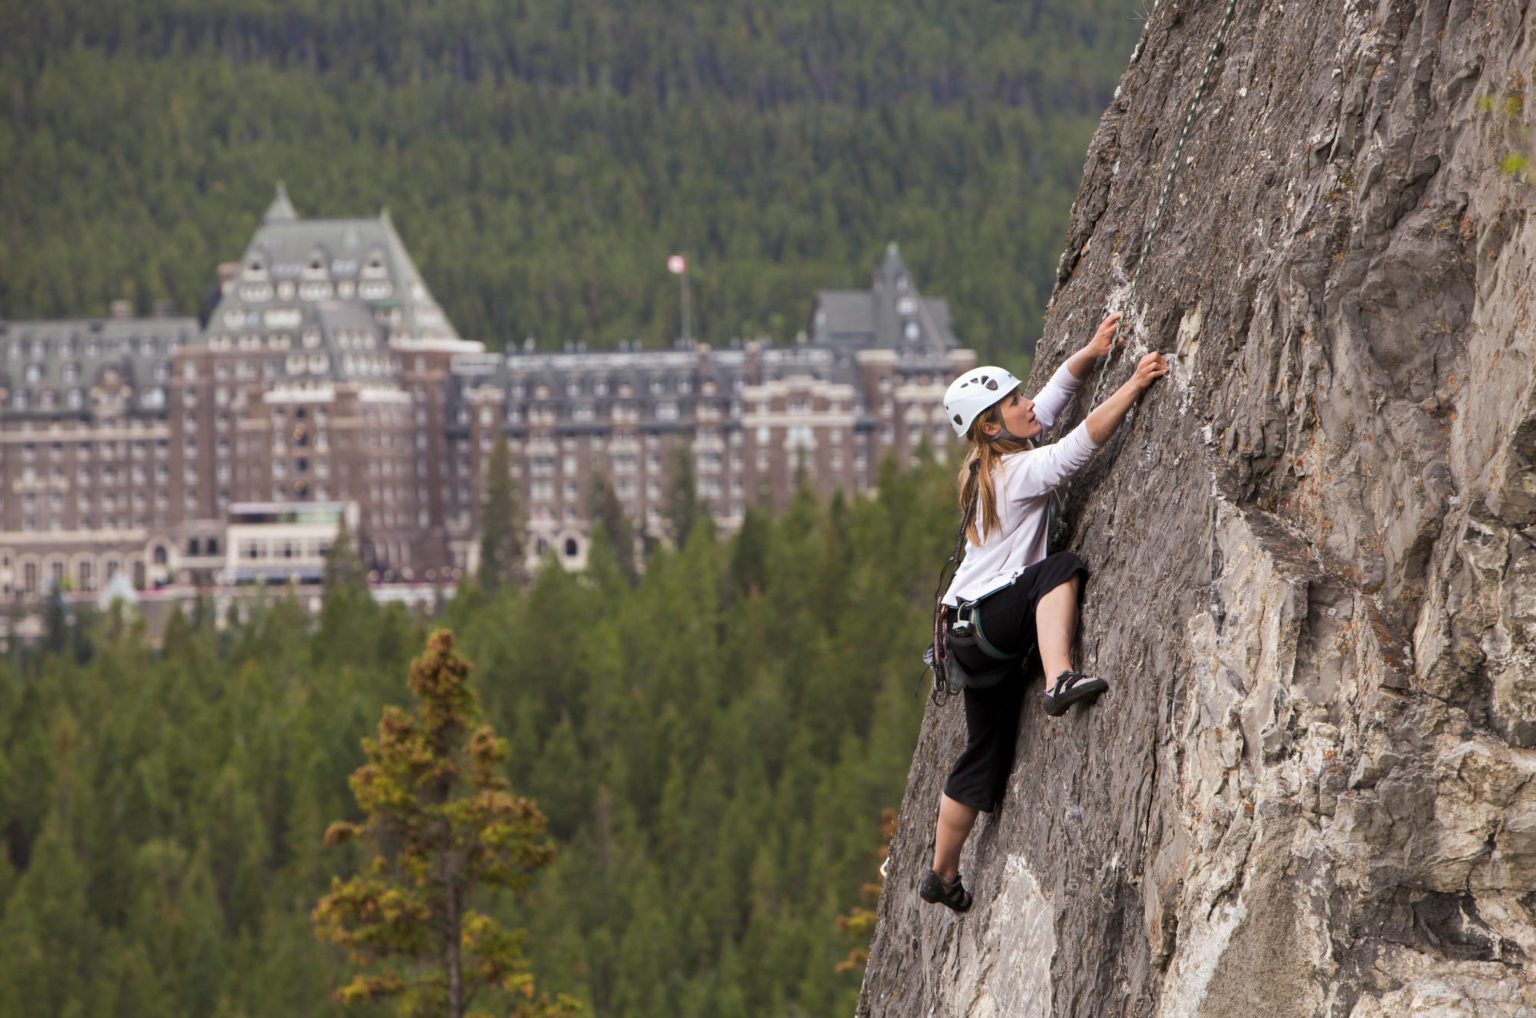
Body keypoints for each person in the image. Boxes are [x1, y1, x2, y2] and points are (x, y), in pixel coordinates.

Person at [919, 312, 1168, 913]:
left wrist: (1087, 354)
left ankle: (942, 874)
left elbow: (1053, 404)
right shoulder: (1013, 473)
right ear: (991, 423)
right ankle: (1060, 677)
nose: (1027, 403)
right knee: (1059, 568)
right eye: (1014, 401)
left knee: (986, 754)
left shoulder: (992, 466)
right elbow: (1074, 449)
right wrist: (1132, 386)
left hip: (968, 639)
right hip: (988, 624)